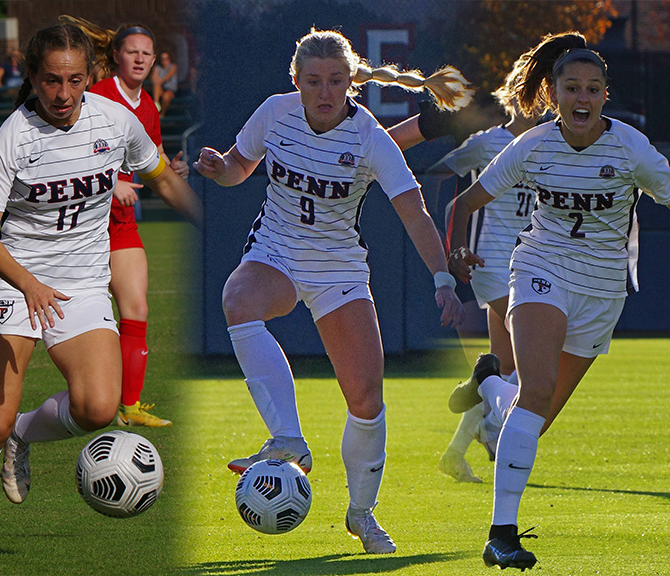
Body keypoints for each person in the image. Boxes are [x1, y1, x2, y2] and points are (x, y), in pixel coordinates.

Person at [445, 32, 670, 570]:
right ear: (554, 93)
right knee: (538, 390)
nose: (582, 97)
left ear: (604, 95)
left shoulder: (632, 148)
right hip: (541, 269)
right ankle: (501, 535)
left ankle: (490, 380)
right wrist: (456, 252)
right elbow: (465, 200)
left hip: (602, 291)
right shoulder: (532, 145)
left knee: (533, 419)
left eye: (592, 88)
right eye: (572, 87)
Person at [193, 28, 470, 555]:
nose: (325, 92)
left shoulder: (370, 138)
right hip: (274, 253)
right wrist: (218, 168)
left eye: (336, 81)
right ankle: (289, 439)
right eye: (314, 81)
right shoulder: (275, 112)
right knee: (238, 298)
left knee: (366, 399)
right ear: (296, 80)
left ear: (352, 82)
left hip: (339, 268)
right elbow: (238, 167)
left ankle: (362, 514)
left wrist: (441, 279)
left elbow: (414, 213)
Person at [0, 23, 200, 564]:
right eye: (51, 81)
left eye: (74, 80)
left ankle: (23, 437)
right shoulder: (16, 135)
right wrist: (28, 284)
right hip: (15, 280)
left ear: (90, 78)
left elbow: (163, 179)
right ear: (33, 77)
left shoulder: (114, 120)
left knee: (99, 407)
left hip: (79, 285)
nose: (62, 93)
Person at [64, 16, 191, 428]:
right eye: (131, 52)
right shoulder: (95, 96)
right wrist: (111, 183)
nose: (139, 59)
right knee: (69, 319)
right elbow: (66, 156)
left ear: (154, 61)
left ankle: (129, 407)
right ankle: (79, 400)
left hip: (121, 225)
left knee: (136, 307)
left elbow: (151, 157)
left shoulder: (149, 106)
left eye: (146, 54)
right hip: (80, 225)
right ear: (116, 56)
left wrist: (171, 169)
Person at [435, 63, 541, 484]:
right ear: (514, 98)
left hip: (526, 265)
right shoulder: (489, 143)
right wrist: (455, 248)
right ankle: (494, 431)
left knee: (501, 368)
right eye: (532, 96)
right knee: (538, 349)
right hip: (490, 264)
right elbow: (442, 171)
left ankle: (457, 451)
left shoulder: (547, 145)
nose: (540, 107)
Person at [152, 50, 178, 118]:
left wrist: (160, 80)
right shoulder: (157, 68)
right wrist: (157, 80)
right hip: (160, 89)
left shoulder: (173, 66)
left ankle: (162, 114)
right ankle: (156, 104)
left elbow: (168, 76)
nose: (164, 61)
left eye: (166, 58)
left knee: (165, 96)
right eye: (163, 59)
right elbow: (154, 79)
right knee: (157, 85)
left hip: (170, 90)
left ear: (169, 59)